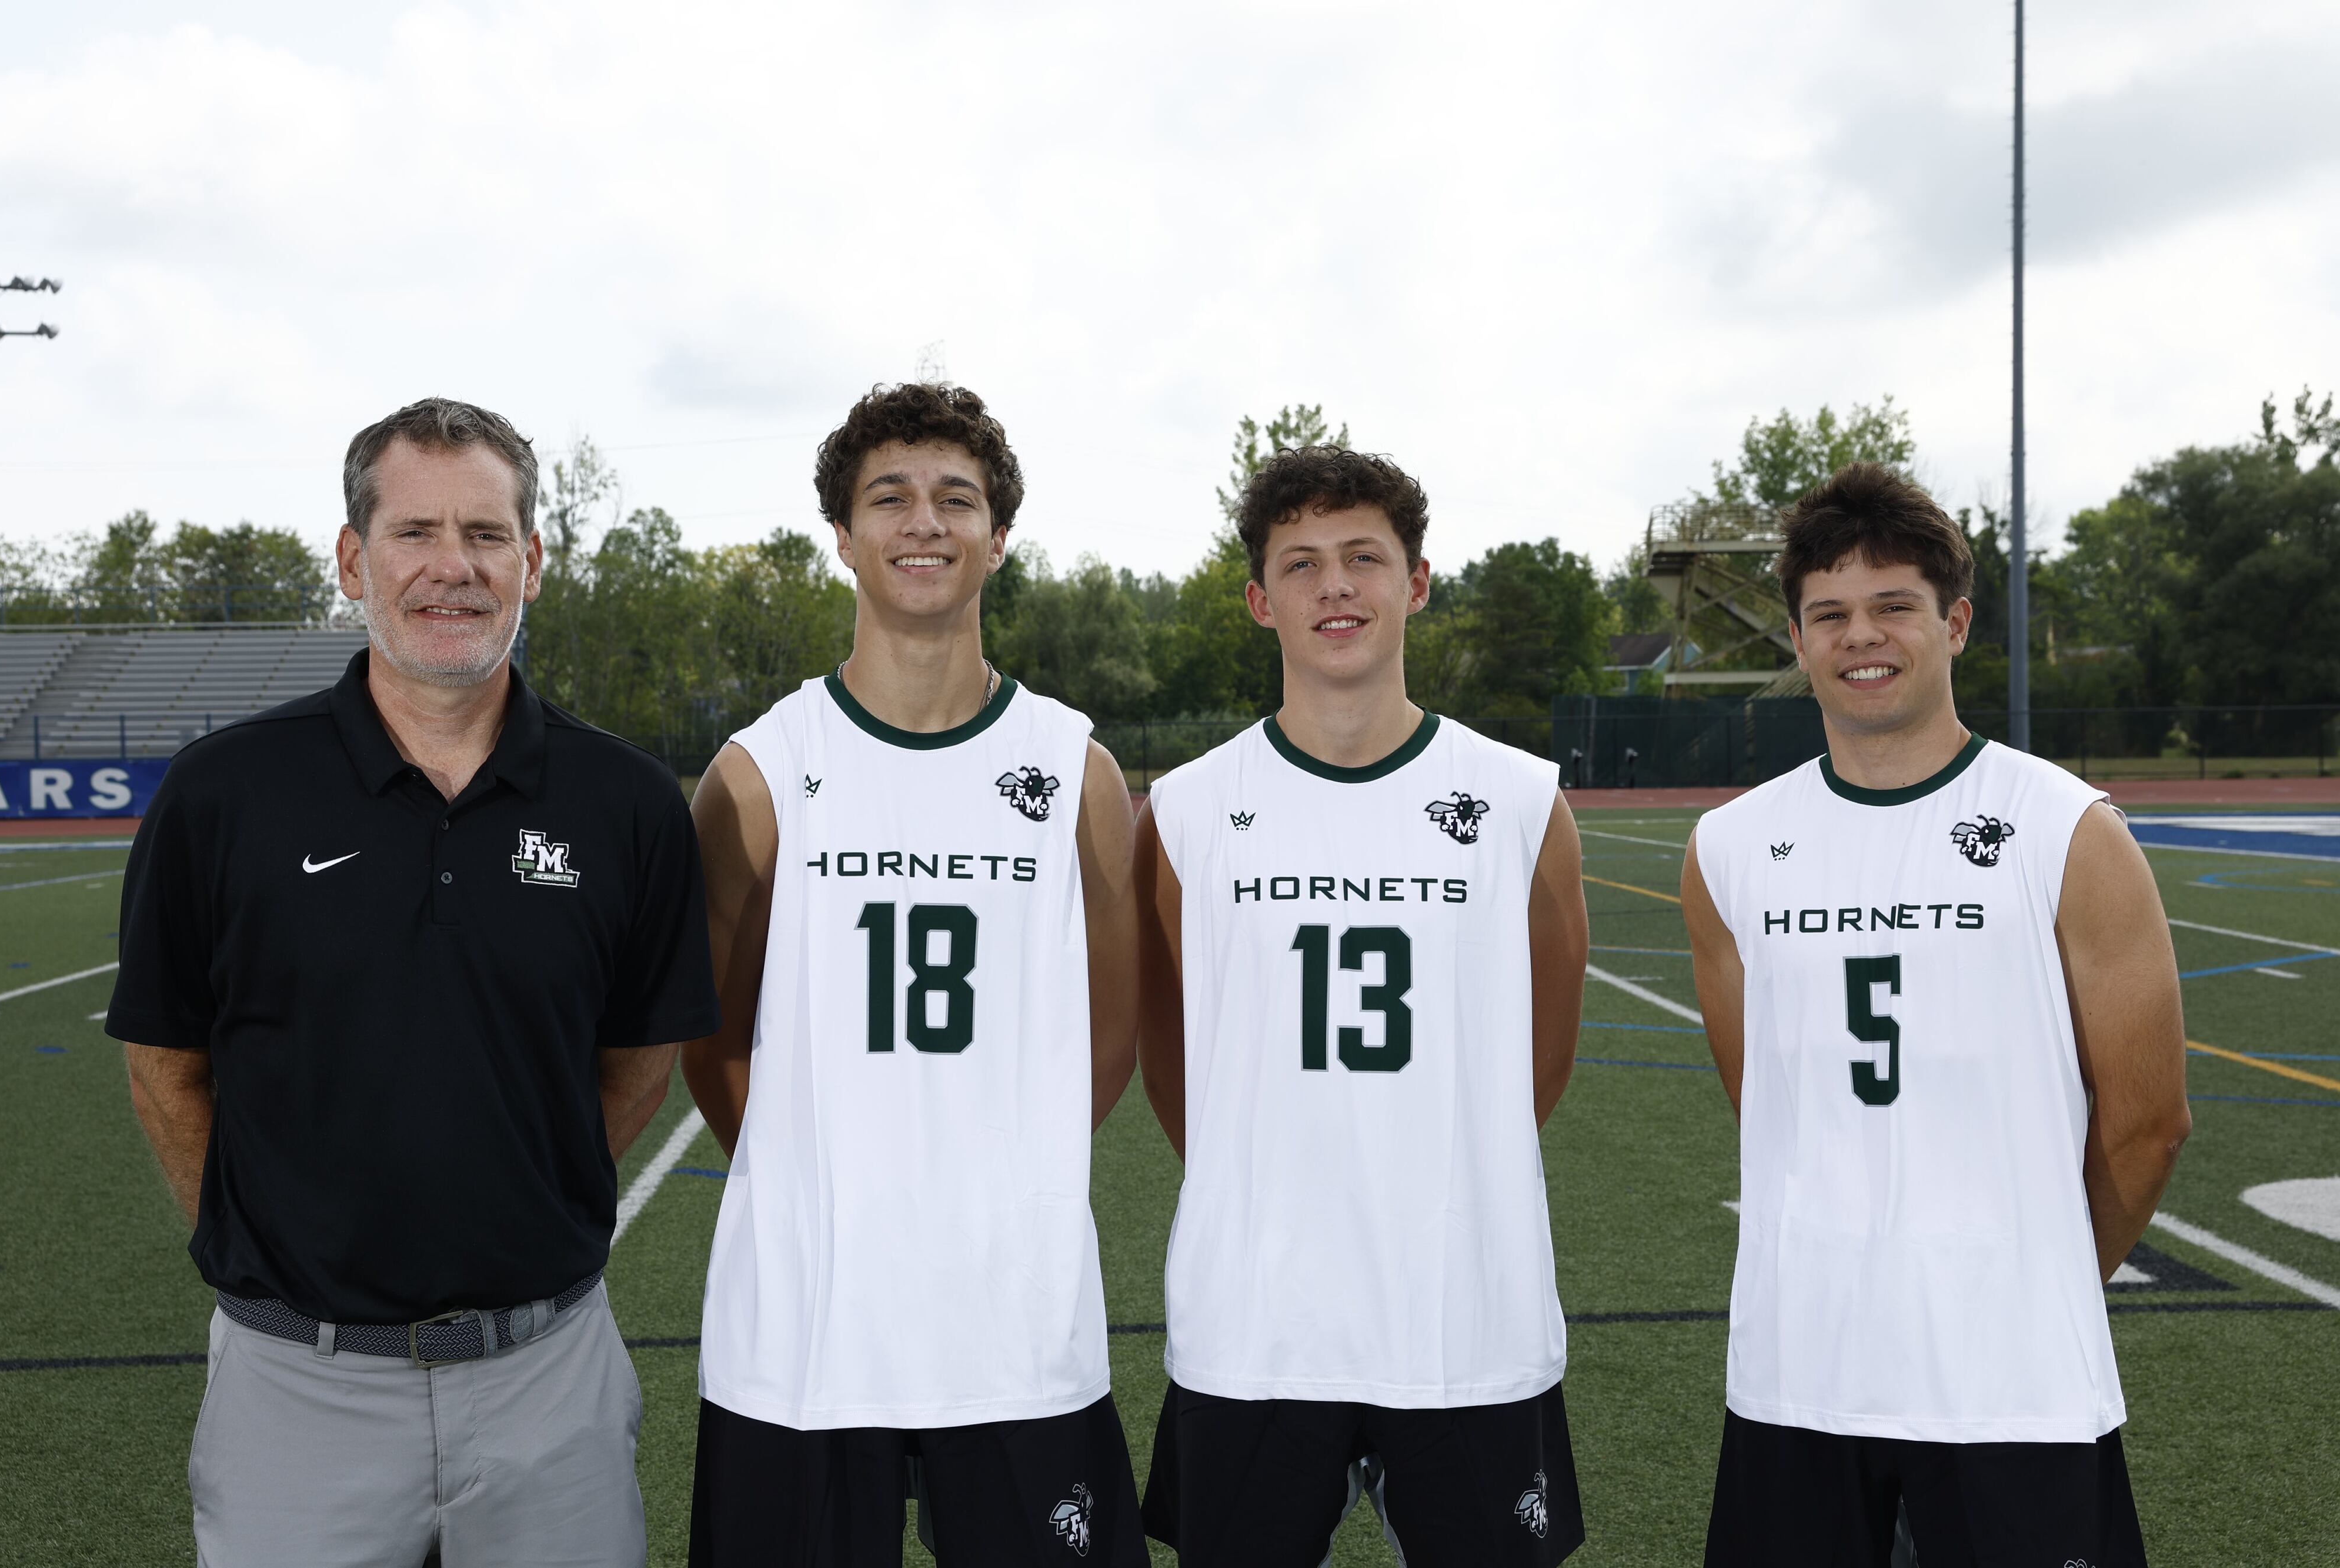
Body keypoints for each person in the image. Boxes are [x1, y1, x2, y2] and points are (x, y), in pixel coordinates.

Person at [113, 396, 721, 1567]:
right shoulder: (223, 794)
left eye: (487, 535)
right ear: (354, 560)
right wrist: (273, 1254)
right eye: (416, 532)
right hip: (298, 1385)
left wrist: (523, 1189)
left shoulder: (627, 804)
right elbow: (165, 1067)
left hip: (548, 1379)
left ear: (532, 562)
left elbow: (640, 1059)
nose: (455, 566)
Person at [1681, 462, 2189, 1567]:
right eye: (1830, 614)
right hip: (1801, 1368)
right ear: (1798, 638)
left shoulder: (2065, 827)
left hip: (2011, 1381)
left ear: (1955, 623)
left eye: (1893, 605)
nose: (1862, 636)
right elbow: (1766, 1100)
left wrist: (2032, 1281)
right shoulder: (1729, 848)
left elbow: (2149, 1122)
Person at [681, 382, 1147, 1566]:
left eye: (956, 498)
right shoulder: (760, 772)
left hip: (1015, 1324)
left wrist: (1001, 1180)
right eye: (888, 497)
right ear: (843, 536)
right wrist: (825, 1184)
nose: (924, 521)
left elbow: (1108, 1037)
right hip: (806, 1328)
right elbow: (711, 1041)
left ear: (1000, 535)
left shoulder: (1074, 771)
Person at [1134, 445, 1591, 1566]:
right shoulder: (1189, 811)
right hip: (1256, 1323)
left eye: (1363, 557)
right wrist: (1265, 1176)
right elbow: (1174, 1061)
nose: (1334, 585)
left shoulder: (1518, 801)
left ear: (1416, 582)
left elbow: (1539, 1057)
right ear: (1261, 600)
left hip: (1464, 1315)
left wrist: (1446, 1164)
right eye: (1300, 563)